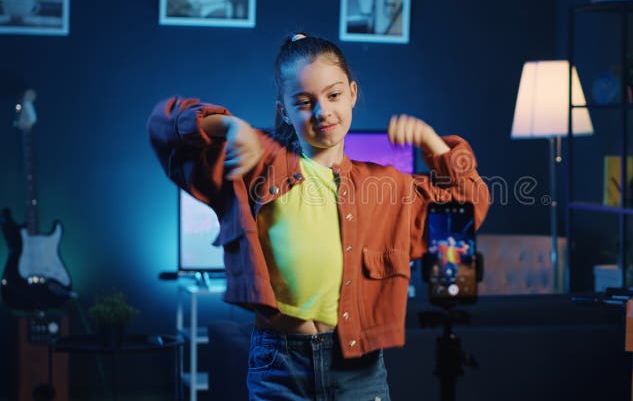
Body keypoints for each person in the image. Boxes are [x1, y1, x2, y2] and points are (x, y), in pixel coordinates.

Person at [147, 33, 491, 401]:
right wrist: (228, 126)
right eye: (304, 101)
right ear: (284, 110)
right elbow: (164, 127)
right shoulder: (258, 164)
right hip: (278, 365)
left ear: (353, 93)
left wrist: (432, 143)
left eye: (334, 95)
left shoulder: (386, 186)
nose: (322, 111)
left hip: (359, 370)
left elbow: (469, 203)